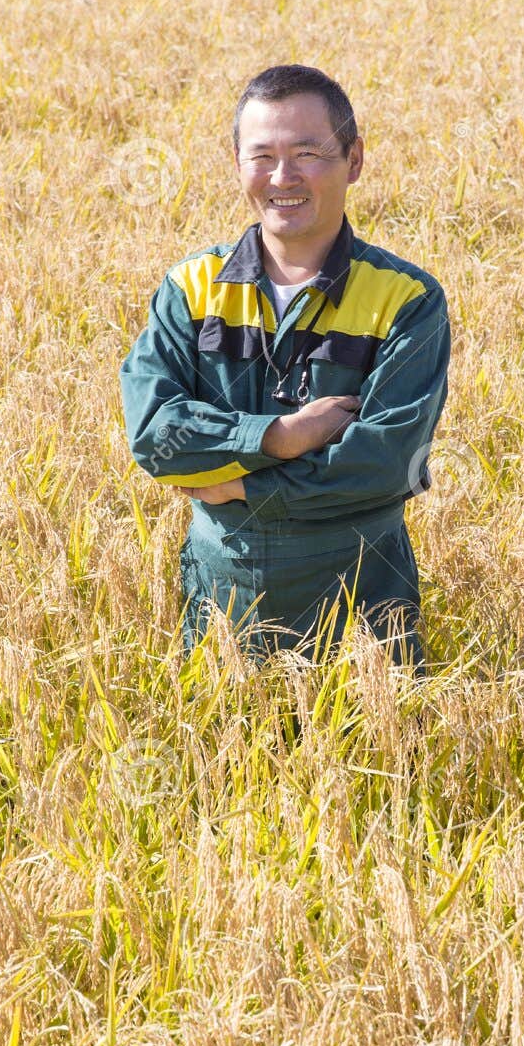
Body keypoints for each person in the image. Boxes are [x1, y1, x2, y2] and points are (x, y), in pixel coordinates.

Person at [119, 64, 451, 674]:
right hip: (222, 607)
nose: (282, 177)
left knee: (373, 738)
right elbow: (156, 438)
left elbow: (385, 464)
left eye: (307, 153)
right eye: (262, 156)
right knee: (222, 735)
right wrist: (278, 436)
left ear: (354, 160)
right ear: (237, 163)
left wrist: (241, 486)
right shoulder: (191, 288)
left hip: (364, 617)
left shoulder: (406, 299)